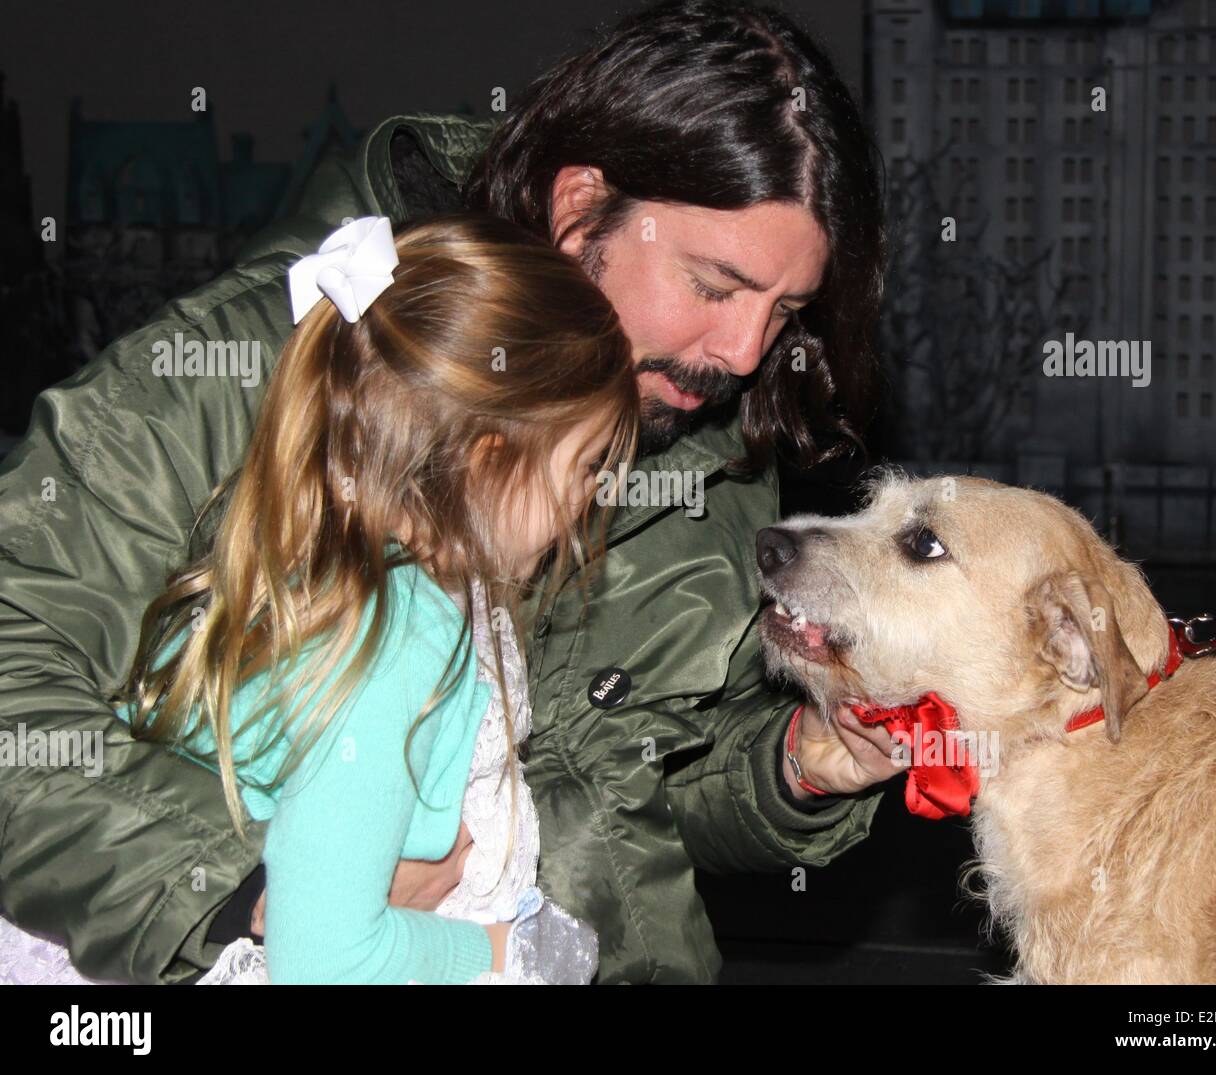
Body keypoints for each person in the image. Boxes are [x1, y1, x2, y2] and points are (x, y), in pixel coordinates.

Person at [0, 0, 899, 985]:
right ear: (577, 207)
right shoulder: (256, 365)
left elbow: (635, 780)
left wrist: (799, 764)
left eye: (787, 311)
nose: (742, 351)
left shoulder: (704, 436)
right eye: (715, 284)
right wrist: (242, 893)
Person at [0, 212, 638, 984]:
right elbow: (324, 958)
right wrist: (501, 952)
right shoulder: (397, 643)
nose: (591, 498)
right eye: (586, 465)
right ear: (489, 463)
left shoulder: (316, 558)